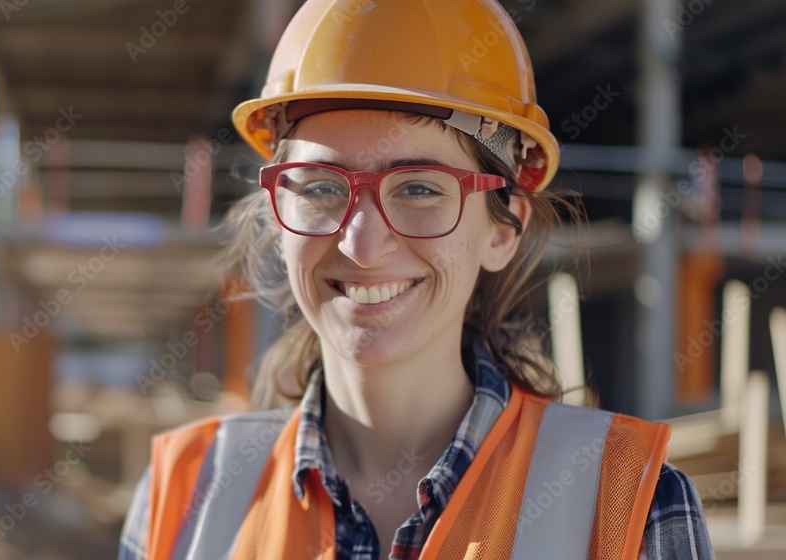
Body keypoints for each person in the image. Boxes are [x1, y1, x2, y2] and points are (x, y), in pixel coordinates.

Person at [119, 0, 715, 558]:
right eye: (322, 187)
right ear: (279, 221)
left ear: (502, 230)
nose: (362, 244)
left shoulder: (631, 504)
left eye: (420, 189)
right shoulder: (185, 495)